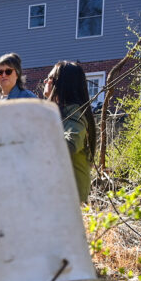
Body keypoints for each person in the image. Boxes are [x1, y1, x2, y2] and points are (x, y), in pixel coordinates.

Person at [42, 61, 96, 205]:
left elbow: (70, 145)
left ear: (62, 84)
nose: (45, 81)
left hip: (70, 202)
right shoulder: (60, 112)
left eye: (50, 78)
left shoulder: (74, 113)